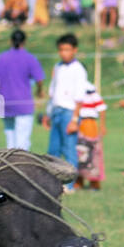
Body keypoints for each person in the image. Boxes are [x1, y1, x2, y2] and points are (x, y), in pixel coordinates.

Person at [44, 33, 88, 188]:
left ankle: (69, 185)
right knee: (53, 150)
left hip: (69, 113)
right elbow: (52, 92)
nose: (64, 53)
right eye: (61, 50)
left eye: (67, 50)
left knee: (69, 149)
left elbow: (79, 98)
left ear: (74, 50)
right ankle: (52, 184)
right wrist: (48, 114)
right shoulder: (57, 67)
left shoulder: (78, 69)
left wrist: (75, 120)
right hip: (56, 111)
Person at [0, 27, 44, 150]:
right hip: (23, 104)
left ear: (10, 41)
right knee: (22, 143)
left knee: (10, 140)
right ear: (24, 42)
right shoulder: (29, 58)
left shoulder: (2, 58)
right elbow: (39, 79)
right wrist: (39, 91)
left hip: (5, 103)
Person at [75, 83, 107, 190]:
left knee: (92, 153)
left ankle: (94, 182)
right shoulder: (72, 86)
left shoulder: (89, 89)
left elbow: (101, 107)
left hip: (89, 123)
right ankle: (79, 180)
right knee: (78, 153)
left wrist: (102, 125)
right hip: (77, 123)